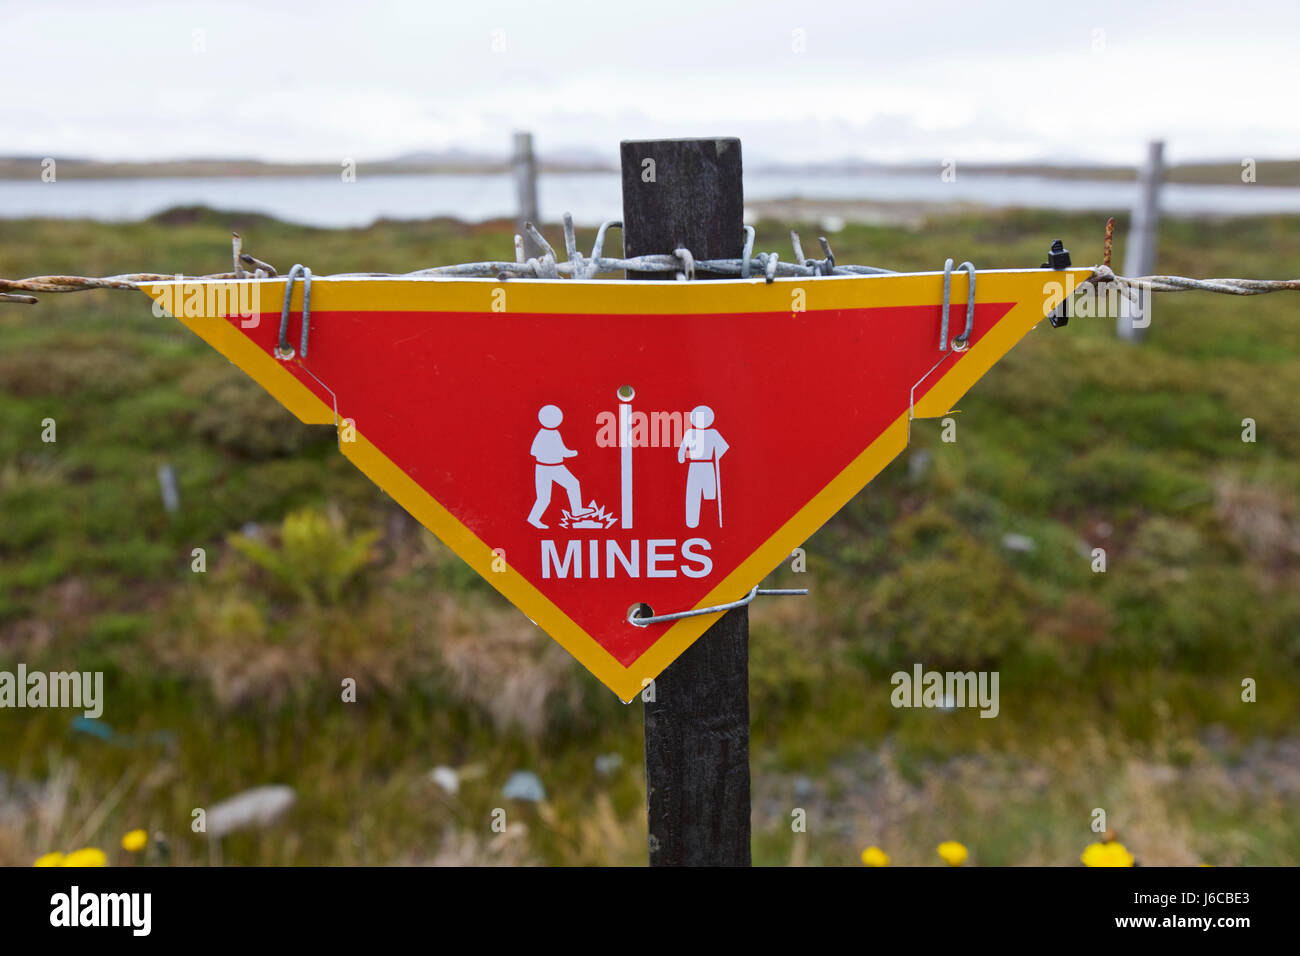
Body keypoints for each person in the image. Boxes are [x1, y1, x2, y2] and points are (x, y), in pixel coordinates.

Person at [527, 404, 588, 529]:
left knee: (573, 484)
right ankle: (533, 519)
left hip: (556, 467)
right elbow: (535, 451)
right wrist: (570, 453)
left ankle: (577, 511)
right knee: (544, 498)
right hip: (545, 469)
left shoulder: (554, 433)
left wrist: (567, 453)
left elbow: (561, 450)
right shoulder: (544, 434)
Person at [678, 405, 728, 529]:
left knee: (710, 495)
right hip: (694, 466)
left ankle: (711, 525)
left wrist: (716, 456)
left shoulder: (713, 433)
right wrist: (684, 457)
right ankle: (691, 523)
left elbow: (723, 447)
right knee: (693, 494)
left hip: (708, 466)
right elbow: (682, 450)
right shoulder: (690, 433)